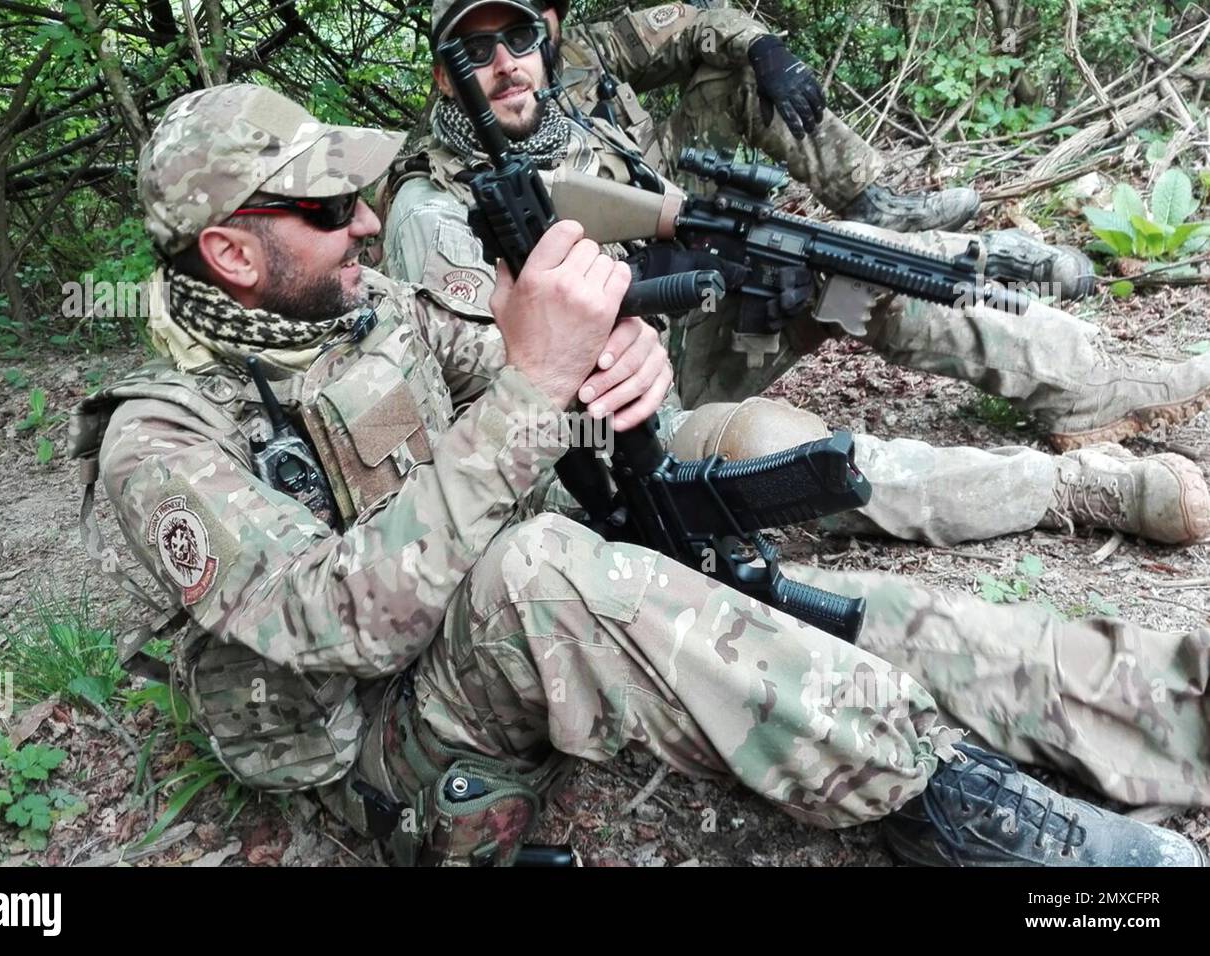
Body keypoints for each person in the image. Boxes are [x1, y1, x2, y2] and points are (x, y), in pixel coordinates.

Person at [68, 82, 1210, 868]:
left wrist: (615, 366)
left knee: (768, 585)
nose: (367, 222)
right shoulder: (160, 439)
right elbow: (336, 624)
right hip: (383, 739)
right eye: (327, 211)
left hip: (515, 627)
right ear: (230, 252)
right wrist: (530, 387)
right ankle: (941, 799)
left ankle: (1161, 706)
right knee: (541, 566)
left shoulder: (379, 313)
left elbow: (537, 391)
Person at [379, 0, 1210, 549]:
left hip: (672, 342)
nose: (505, 64)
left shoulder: (573, 126)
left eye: (517, 39)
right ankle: (1068, 490)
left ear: (545, 35)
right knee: (785, 453)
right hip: (601, 435)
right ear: (445, 74)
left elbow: (664, 214)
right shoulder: (434, 209)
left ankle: (1089, 383)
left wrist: (737, 268)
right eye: (476, 51)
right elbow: (503, 398)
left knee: (836, 258)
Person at [530, 0, 980, 234]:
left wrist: (762, 47)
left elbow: (692, 25)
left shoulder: (584, 49)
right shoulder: (478, 95)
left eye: (536, 10)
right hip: (598, 234)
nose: (524, 31)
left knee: (741, 70)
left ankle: (869, 204)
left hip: (667, 177)